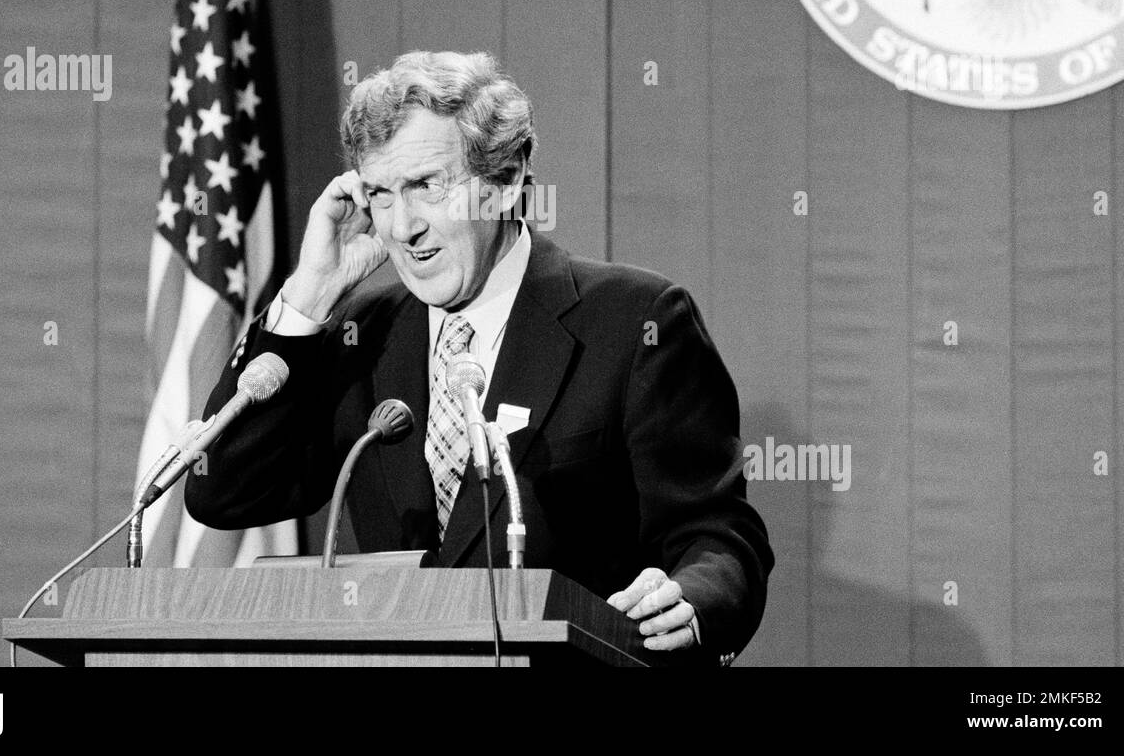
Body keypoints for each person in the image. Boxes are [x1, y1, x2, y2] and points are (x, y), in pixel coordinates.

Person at [185, 50, 773, 662]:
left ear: (505, 180)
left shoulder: (635, 321)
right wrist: (308, 296)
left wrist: (691, 597)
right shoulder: (364, 335)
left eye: (425, 186)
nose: (402, 226)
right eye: (380, 194)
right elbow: (220, 490)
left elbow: (719, 534)